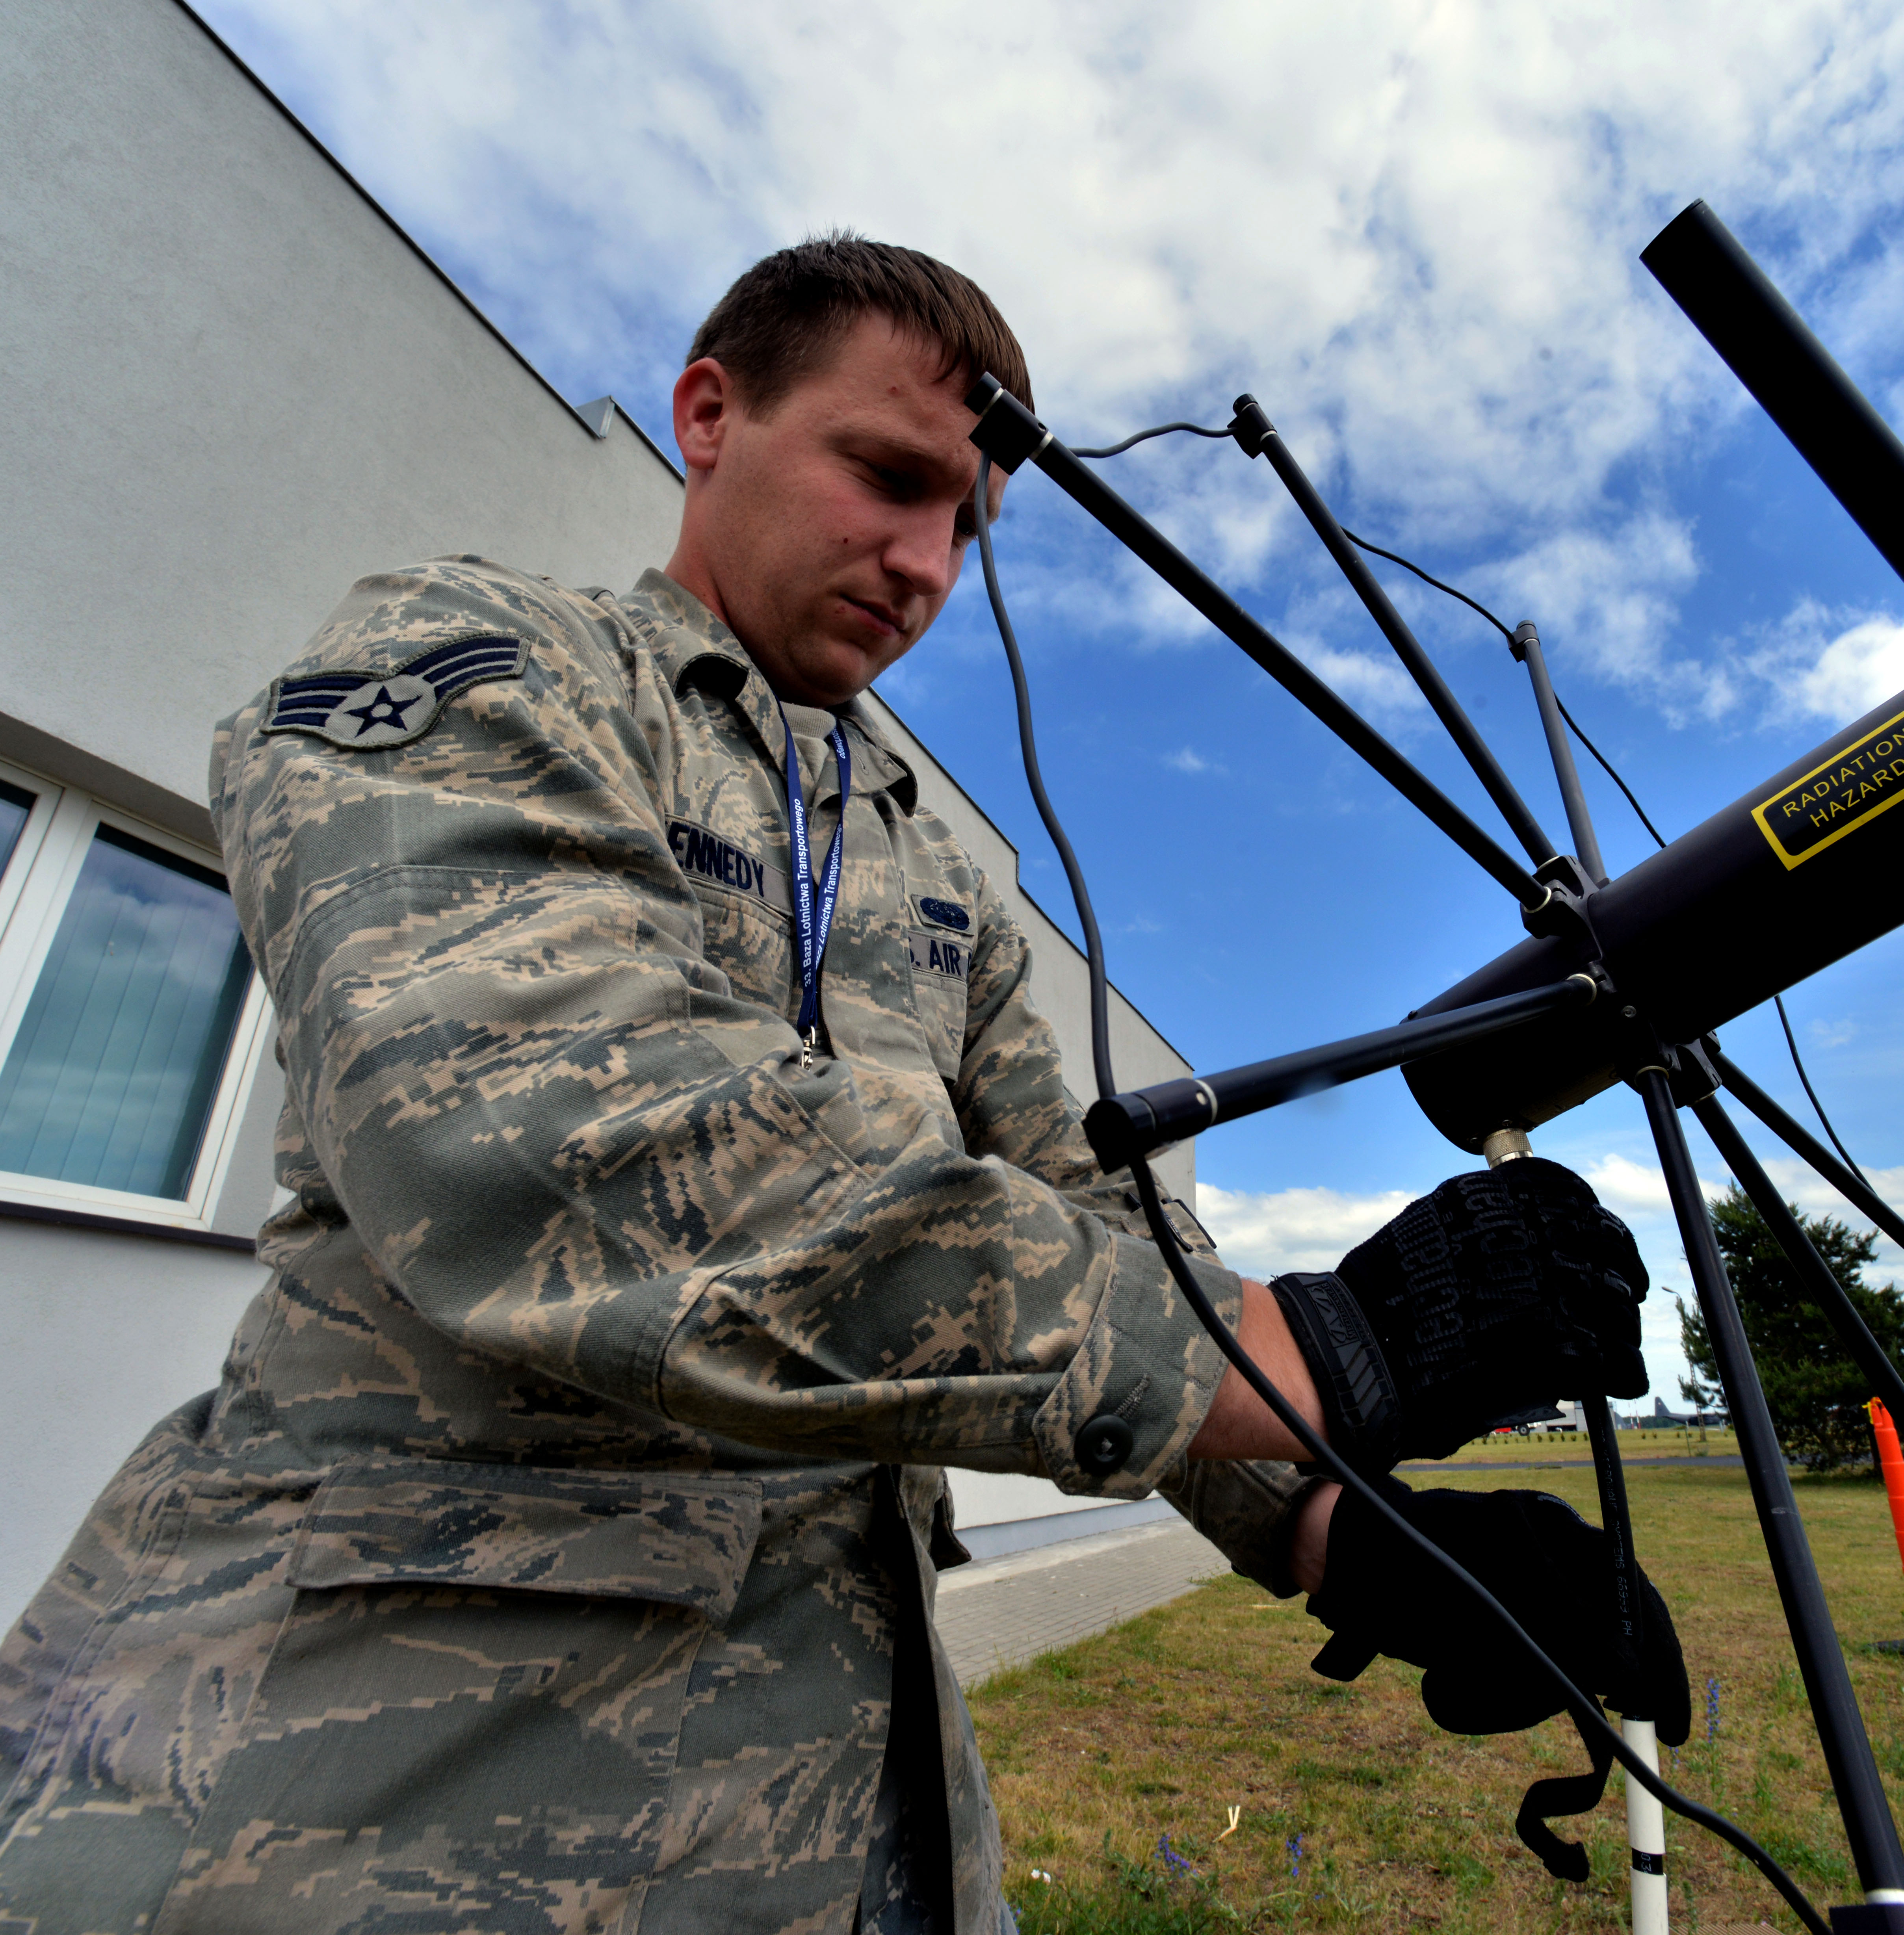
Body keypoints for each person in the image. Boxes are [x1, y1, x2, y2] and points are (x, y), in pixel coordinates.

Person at [0, 237, 1682, 1934]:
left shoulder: (945, 878)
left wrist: (1334, 1522)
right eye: (890, 478)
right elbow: (541, 1139)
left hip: (848, 1819)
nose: (929, 563)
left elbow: (1098, 1230)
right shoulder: (487, 667)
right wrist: (1320, 1354)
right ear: (710, 413)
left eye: (971, 525)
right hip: (382, 1792)